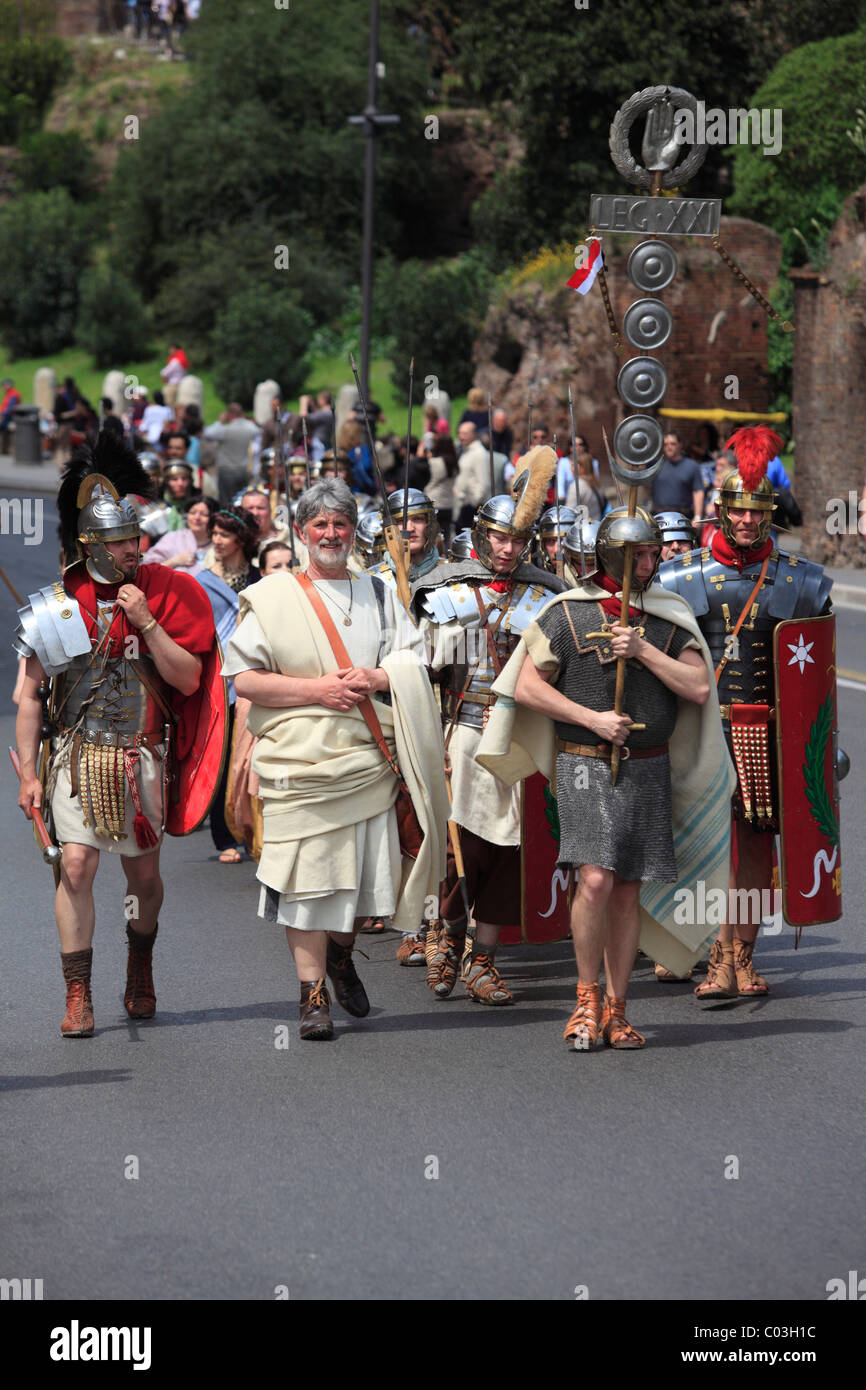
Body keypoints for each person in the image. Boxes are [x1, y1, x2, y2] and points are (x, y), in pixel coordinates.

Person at [481, 505, 733, 1050]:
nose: (649, 562)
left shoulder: (666, 617)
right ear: (610, 555)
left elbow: (696, 687)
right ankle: (585, 998)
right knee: (594, 879)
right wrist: (592, 717)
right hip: (583, 763)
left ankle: (618, 1008)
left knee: (625, 891)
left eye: (650, 553)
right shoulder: (567, 613)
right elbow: (525, 688)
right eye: (637, 554)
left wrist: (642, 650)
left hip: (647, 767)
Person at [222, 479, 448, 1041]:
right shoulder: (273, 596)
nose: (330, 533)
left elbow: (414, 660)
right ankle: (312, 995)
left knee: (361, 886)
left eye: (340, 524)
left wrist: (377, 676)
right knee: (306, 884)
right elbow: (243, 677)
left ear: (353, 532)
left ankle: (341, 957)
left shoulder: (377, 592)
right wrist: (316, 691)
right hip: (299, 763)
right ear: (301, 532)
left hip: (368, 758)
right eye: (319, 524)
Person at [12, 434, 216, 1037]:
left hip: (142, 758)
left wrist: (147, 622)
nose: (133, 550)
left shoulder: (172, 591)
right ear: (91, 545)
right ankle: (78, 993)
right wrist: (27, 773)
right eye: (121, 541)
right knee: (74, 866)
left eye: (136, 539)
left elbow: (189, 677)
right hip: (77, 758)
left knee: (144, 881)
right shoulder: (57, 603)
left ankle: (140, 959)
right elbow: (28, 697)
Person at [658, 426, 832, 1000]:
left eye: (758, 512)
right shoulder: (681, 577)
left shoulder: (800, 583)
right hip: (704, 729)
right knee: (706, 842)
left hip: (765, 735)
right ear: (721, 510)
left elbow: (817, 678)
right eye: (738, 511)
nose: (747, 522)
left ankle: (745, 954)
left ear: (769, 514)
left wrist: (821, 740)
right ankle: (714, 952)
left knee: (756, 844)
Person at [413, 447, 567, 1004]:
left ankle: (483, 959)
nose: (508, 550)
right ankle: (447, 931)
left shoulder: (548, 597)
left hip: (524, 737)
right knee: (466, 848)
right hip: (465, 732)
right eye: (500, 539)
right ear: (481, 536)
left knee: (512, 850)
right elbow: (421, 677)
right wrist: (432, 744)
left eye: (518, 540)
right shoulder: (446, 592)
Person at [142, 496, 216, 576]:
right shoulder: (173, 538)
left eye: (204, 514)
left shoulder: (219, 543)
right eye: (192, 513)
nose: (197, 517)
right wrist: (175, 561)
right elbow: (148, 571)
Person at [204, 404, 259, 505]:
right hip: (244, 471)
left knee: (226, 502)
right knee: (241, 501)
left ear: (228, 415)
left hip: (227, 471)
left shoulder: (225, 429)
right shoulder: (251, 429)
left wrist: (219, 421)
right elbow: (258, 434)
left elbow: (208, 433)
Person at [651, 431, 704, 526]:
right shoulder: (655, 465)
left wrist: (697, 516)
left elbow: (698, 492)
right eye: (665, 444)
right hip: (658, 517)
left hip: (682, 517)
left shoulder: (692, 466)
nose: (669, 447)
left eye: (672, 444)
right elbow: (638, 472)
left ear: (680, 445)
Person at [453, 422, 492, 529]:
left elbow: (484, 483)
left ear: (474, 435)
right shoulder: (466, 451)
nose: (460, 437)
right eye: (459, 433)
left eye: (465, 434)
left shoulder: (479, 453)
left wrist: (474, 503)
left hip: (472, 507)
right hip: (464, 505)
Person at [427, 433, 458, 545]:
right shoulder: (454, 462)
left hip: (434, 501)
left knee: (433, 537)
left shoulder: (434, 462)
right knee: (446, 537)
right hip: (448, 503)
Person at [565, 451, 604, 521]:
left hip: (583, 529)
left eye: (573, 465)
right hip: (597, 526)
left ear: (582, 467)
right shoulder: (597, 483)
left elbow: (568, 513)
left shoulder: (577, 486)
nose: (571, 469)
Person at [159, 343, 189, 408]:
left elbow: (164, 373)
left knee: (167, 402)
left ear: (175, 349)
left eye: (171, 349)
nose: (169, 351)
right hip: (181, 383)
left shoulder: (175, 361)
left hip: (172, 384)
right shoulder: (183, 359)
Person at [0, 377, 22, 452]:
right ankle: (3, 448)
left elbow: (10, 408)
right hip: (6, 417)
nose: (3, 388)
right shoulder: (8, 394)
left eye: (4, 385)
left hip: (11, 418)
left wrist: (2, 416)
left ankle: (5, 449)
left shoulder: (13, 394)